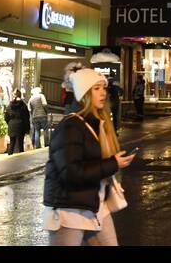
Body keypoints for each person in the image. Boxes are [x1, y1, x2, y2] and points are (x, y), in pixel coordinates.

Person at [42, 68, 136, 245]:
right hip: (69, 211)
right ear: (84, 93)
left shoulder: (97, 124)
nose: (103, 93)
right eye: (96, 88)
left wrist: (115, 162)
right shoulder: (71, 127)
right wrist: (112, 164)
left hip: (95, 206)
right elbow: (71, 173)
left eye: (104, 88)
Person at [6, 89, 31, 154]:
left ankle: (9, 158)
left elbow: (6, 117)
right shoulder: (23, 105)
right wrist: (27, 129)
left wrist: (9, 123)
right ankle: (20, 160)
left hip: (11, 125)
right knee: (20, 145)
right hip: (20, 125)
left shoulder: (9, 106)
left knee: (12, 144)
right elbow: (26, 118)